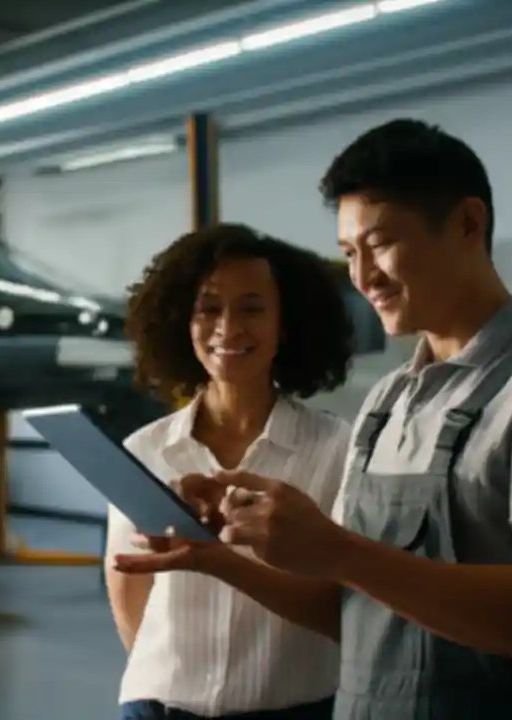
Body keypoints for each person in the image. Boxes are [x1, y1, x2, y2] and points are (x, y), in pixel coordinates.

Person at [114, 119, 512, 719]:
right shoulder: (389, 402)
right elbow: (352, 616)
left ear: (468, 224)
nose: (364, 277)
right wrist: (212, 556)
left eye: (382, 243)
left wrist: (339, 550)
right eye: (350, 254)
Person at [107, 223, 356, 720]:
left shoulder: (339, 449)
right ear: (183, 320)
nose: (228, 328)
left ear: (285, 324)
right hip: (159, 708)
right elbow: (128, 588)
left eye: (252, 309)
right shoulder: (145, 450)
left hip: (295, 710)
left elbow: (347, 601)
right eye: (209, 308)